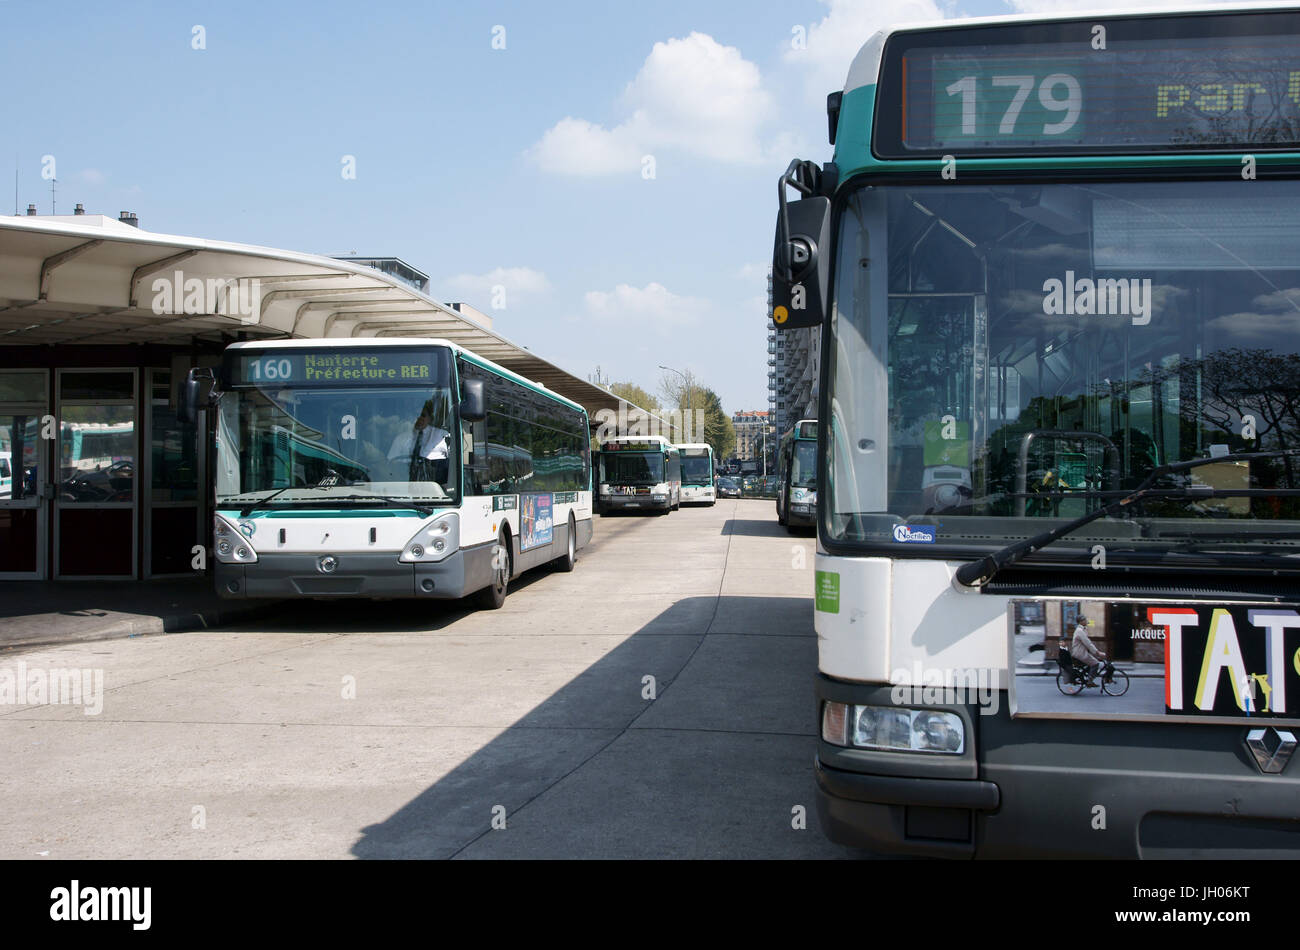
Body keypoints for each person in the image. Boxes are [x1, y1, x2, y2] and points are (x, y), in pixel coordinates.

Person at [388, 398, 450, 484]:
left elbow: (453, 464)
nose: (419, 418)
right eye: (416, 415)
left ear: (430, 418)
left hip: (436, 484)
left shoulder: (442, 436)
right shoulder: (400, 439)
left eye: (423, 415)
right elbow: (391, 465)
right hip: (405, 481)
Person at [1070, 617, 1106, 685]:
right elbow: (1088, 643)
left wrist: (1095, 652)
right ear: (1081, 621)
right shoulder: (1079, 631)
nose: (1087, 621)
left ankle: (1088, 677)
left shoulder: (1082, 629)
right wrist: (1097, 652)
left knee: (1093, 662)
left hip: (1082, 652)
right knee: (1096, 663)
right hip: (1080, 653)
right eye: (1085, 620)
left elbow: (1088, 643)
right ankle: (1090, 681)